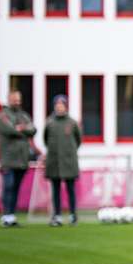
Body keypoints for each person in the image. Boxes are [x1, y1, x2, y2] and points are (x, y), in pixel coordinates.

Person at [0, 89, 36, 228]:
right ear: (9, 99)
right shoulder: (2, 115)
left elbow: (33, 129)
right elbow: (9, 130)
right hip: (8, 159)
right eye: (14, 99)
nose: (17, 102)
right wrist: (22, 130)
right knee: (8, 186)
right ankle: (5, 215)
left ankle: (12, 216)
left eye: (18, 100)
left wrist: (22, 128)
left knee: (16, 188)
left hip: (22, 159)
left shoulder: (24, 115)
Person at [43, 94, 82, 227]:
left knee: (71, 190)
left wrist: (68, 152)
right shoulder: (50, 122)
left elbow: (78, 140)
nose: (60, 107)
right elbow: (46, 139)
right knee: (56, 190)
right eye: (57, 105)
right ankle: (57, 215)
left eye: (62, 104)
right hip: (54, 162)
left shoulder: (72, 122)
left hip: (69, 162)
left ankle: (73, 215)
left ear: (65, 106)